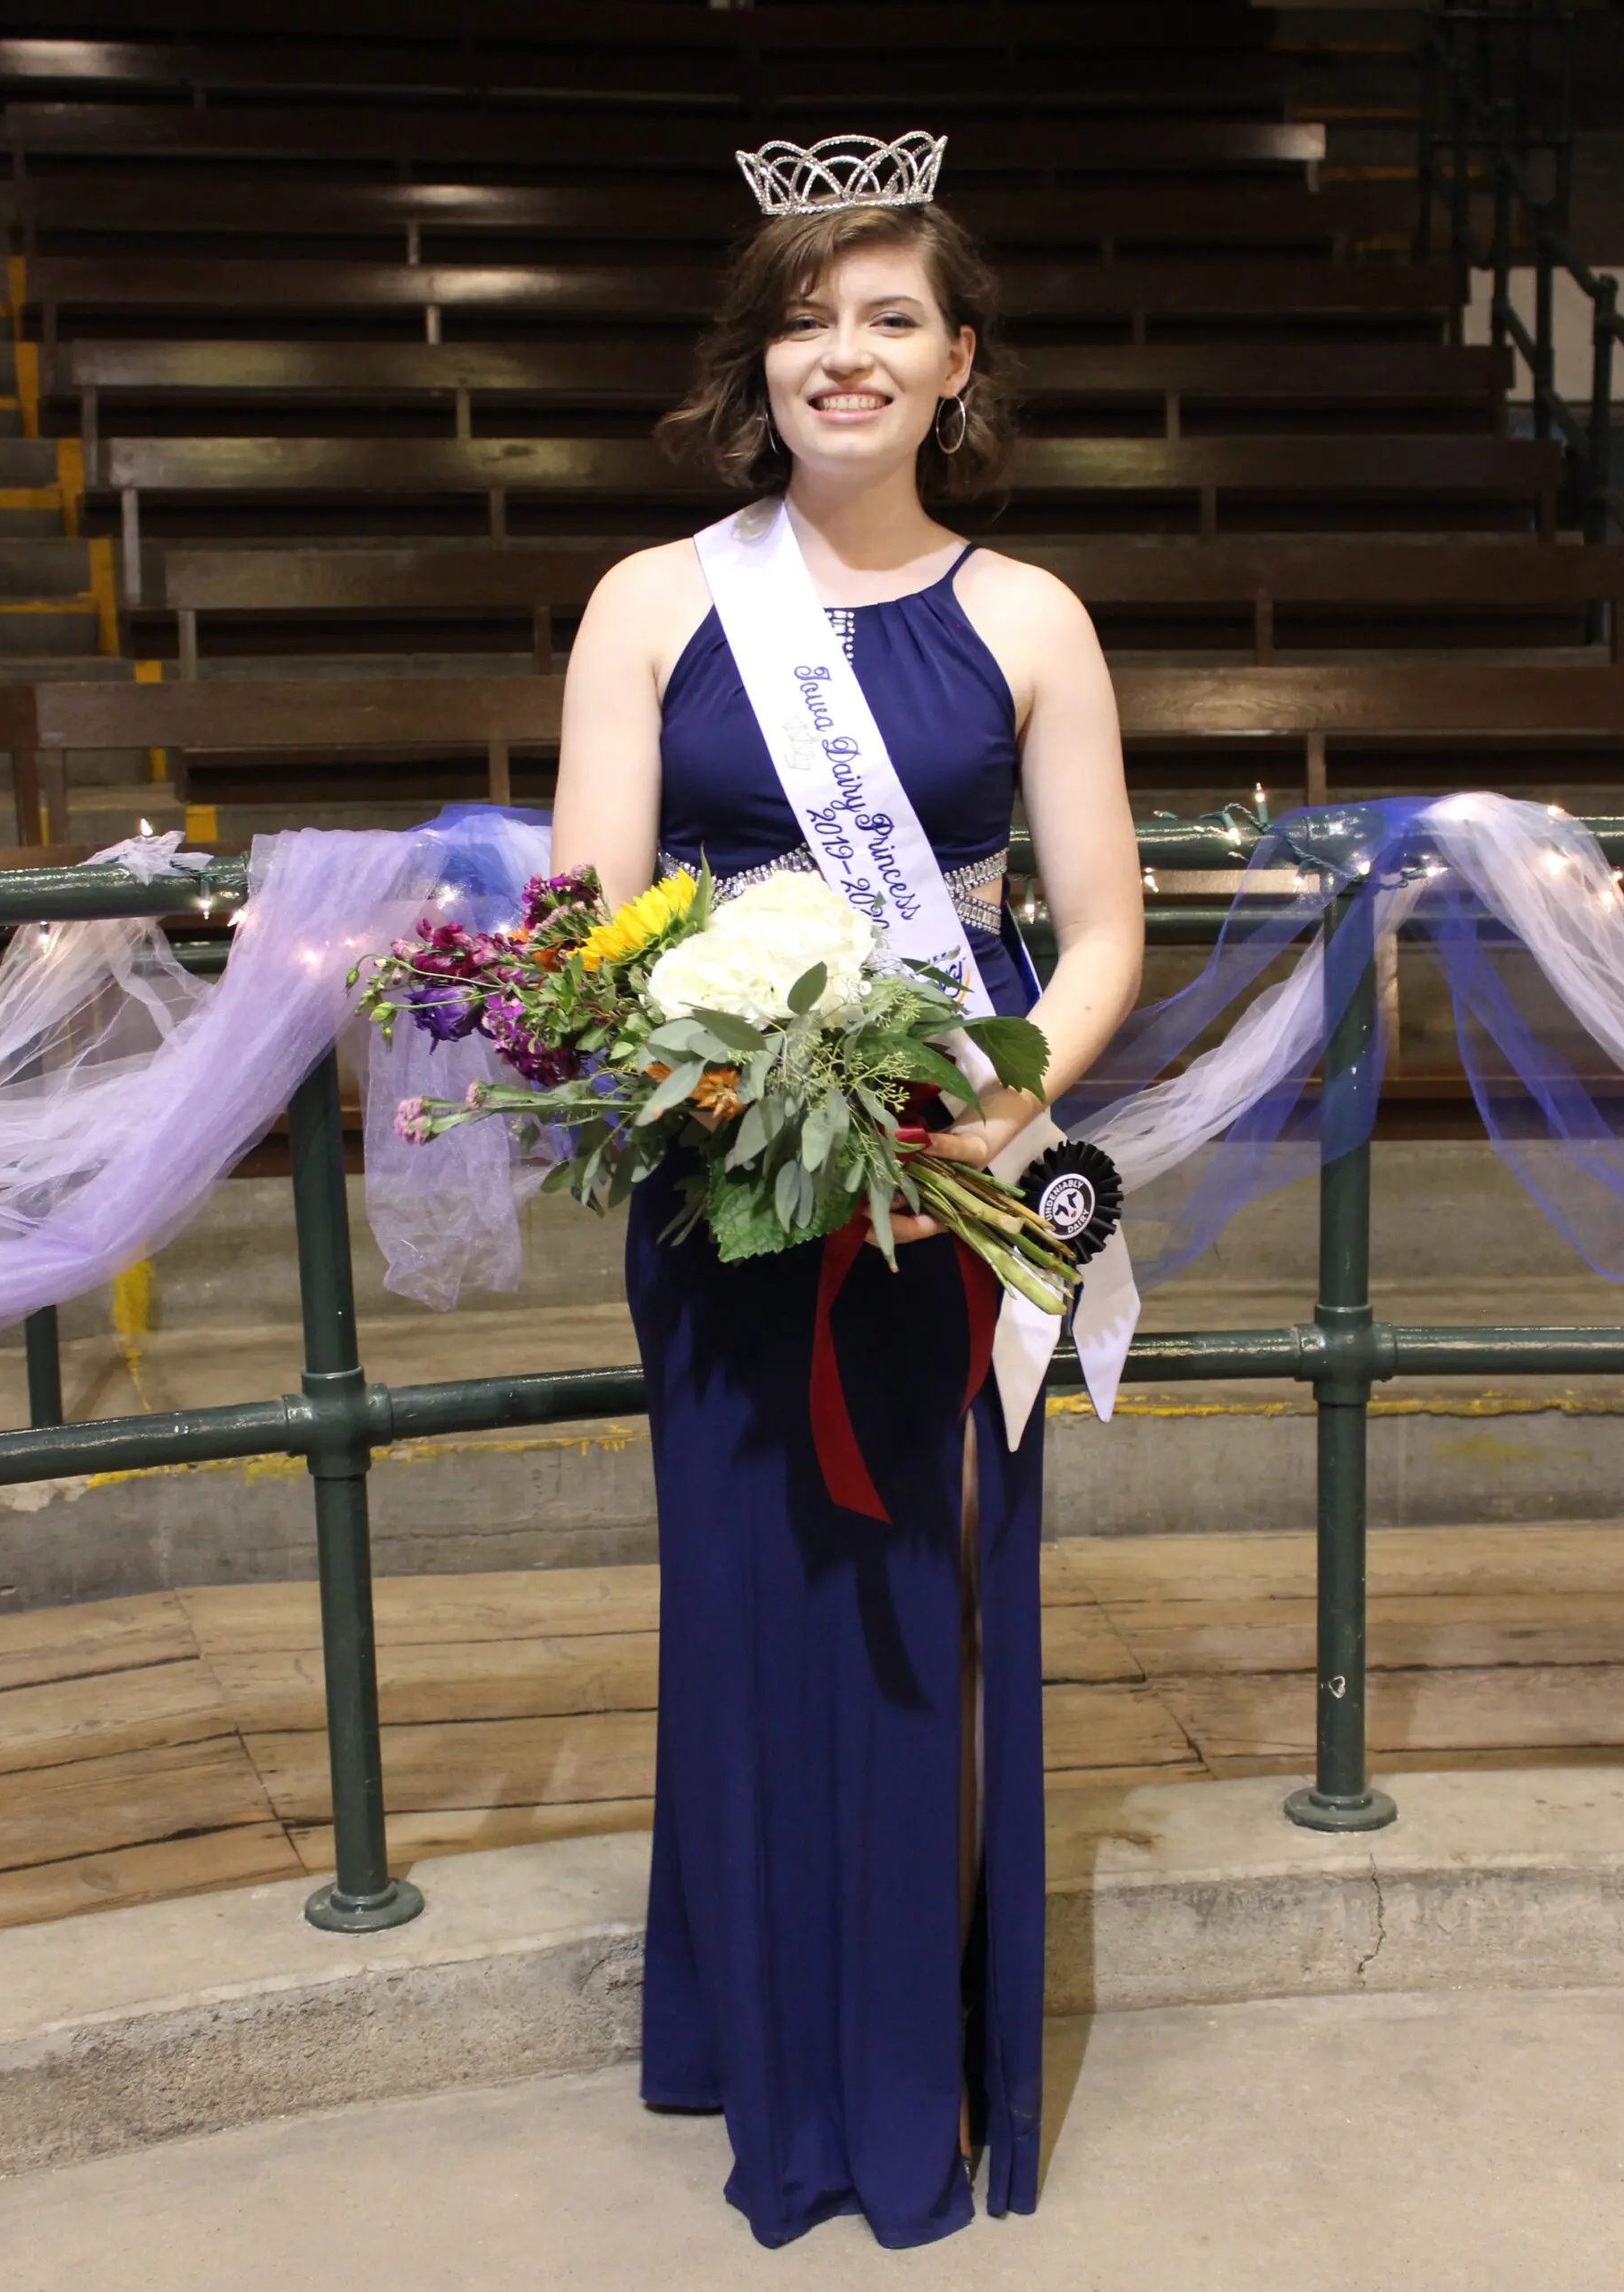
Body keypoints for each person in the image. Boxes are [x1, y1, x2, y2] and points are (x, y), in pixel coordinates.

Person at [551, 139, 1144, 2251]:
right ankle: (764, 2035)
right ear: (760, 360)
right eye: (809, 315)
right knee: (740, 1603)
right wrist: (715, 1083)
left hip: (949, 1187)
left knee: (928, 1614)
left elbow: (1096, 930)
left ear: (957, 362)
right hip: (725, 1178)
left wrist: (1004, 1104)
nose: (846, 351)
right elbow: (590, 926)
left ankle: (908, 2058)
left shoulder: (1029, 616)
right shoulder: (651, 599)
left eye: (891, 315)